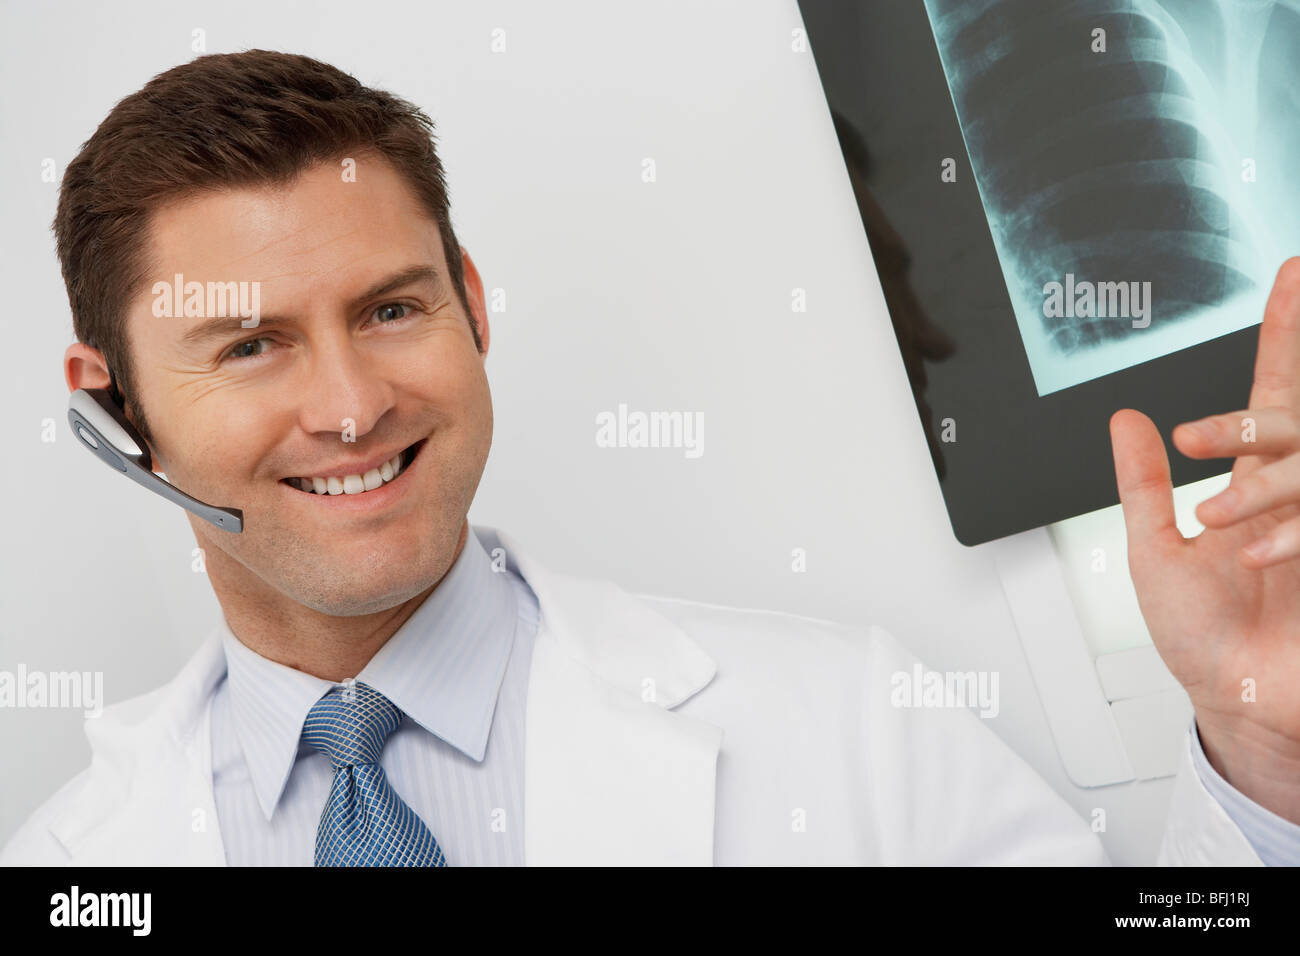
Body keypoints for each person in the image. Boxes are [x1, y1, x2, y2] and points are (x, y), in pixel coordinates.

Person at [3, 50, 1298, 866]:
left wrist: (1259, 759)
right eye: (250, 347)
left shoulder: (844, 726)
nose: (349, 407)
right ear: (110, 406)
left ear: (471, 303)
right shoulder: (74, 867)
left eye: (392, 310)